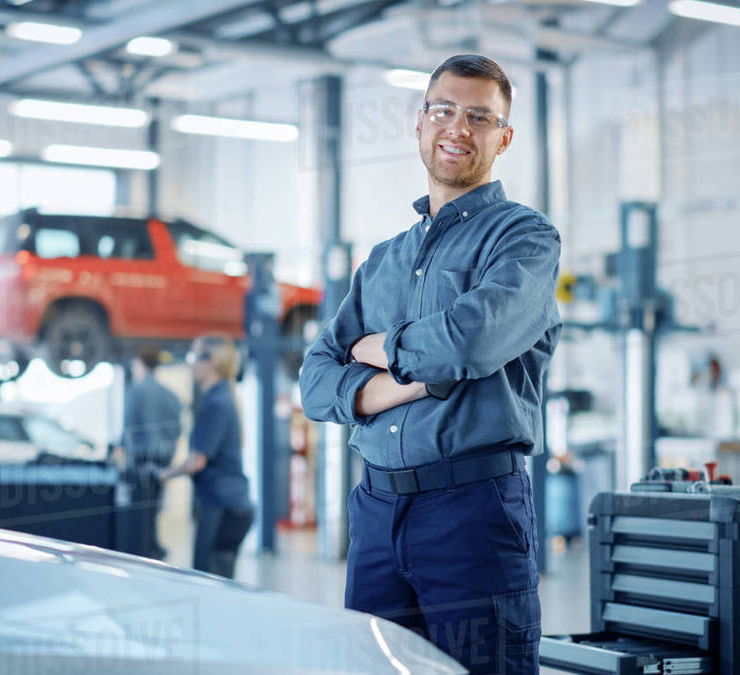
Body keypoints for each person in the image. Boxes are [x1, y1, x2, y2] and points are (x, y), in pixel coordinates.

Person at [299, 54, 562, 674]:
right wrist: (415, 380)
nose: (458, 127)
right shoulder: (384, 259)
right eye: (443, 110)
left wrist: (382, 349)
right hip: (374, 511)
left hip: (471, 509)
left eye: (479, 117)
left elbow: (471, 343)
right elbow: (314, 383)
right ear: (420, 123)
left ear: (504, 137)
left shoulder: (523, 238)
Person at [161, 334, 253, 579]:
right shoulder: (224, 398)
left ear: (210, 361)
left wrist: (165, 474)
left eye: (193, 357)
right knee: (220, 582)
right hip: (233, 505)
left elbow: (197, 461)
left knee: (207, 582)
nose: (190, 363)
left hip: (221, 506)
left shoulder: (215, 403)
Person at [117, 347, 182, 559]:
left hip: (141, 459)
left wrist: (121, 450)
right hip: (163, 459)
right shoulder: (170, 395)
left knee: (140, 508)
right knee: (154, 506)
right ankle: (153, 546)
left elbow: (129, 427)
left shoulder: (136, 391)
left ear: (140, 364)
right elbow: (177, 429)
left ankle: (143, 548)